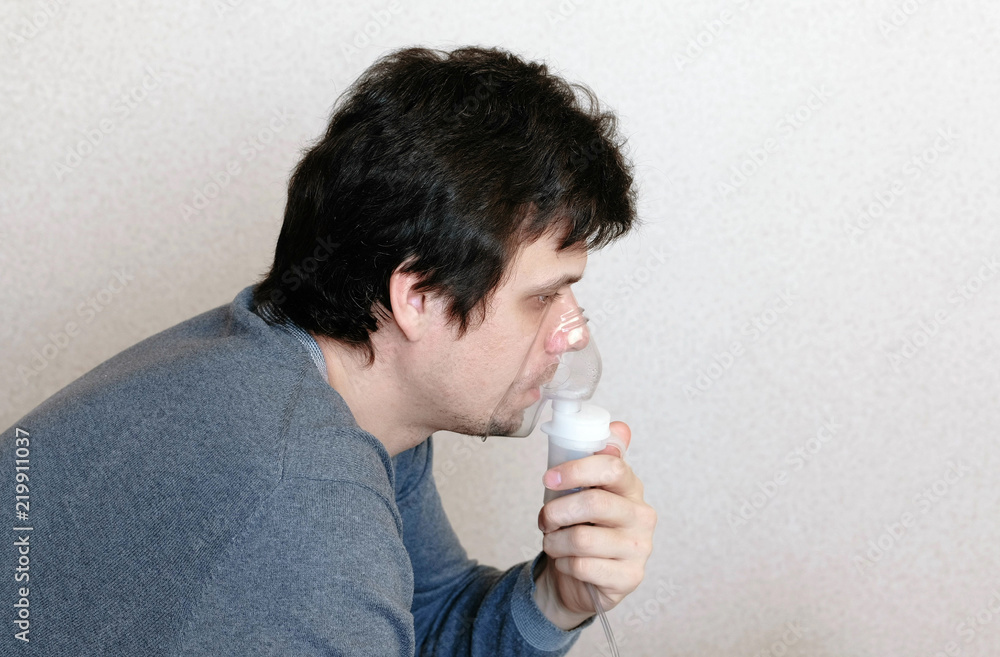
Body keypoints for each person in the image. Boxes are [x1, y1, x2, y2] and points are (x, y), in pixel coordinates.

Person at [1, 45, 656, 655]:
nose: (572, 331)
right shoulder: (304, 505)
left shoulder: (305, 373)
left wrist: (555, 598)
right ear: (418, 297)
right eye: (544, 296)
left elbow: (420, 613)